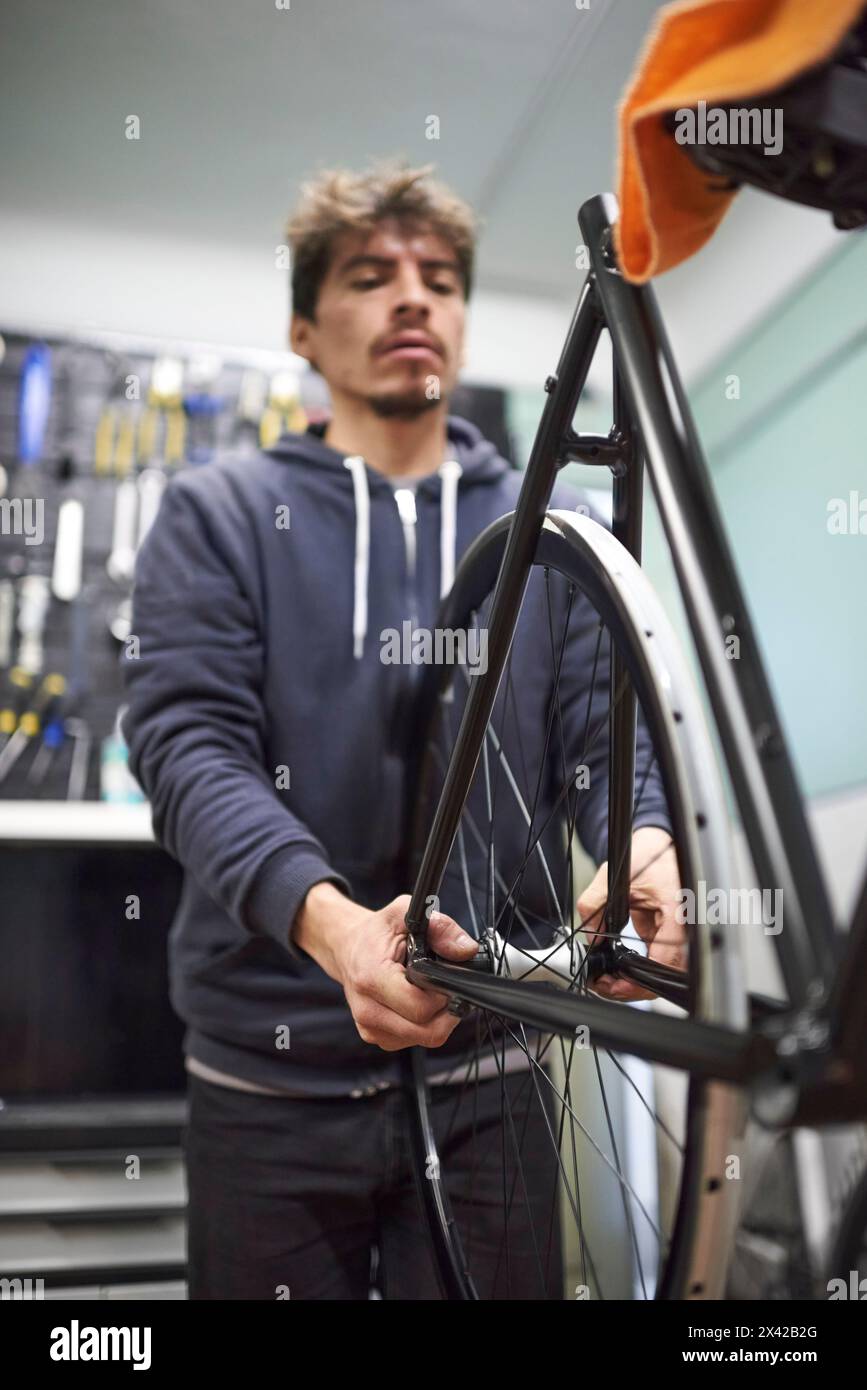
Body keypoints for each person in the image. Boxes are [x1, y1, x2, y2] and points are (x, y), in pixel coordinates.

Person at [122, 159, 683, 1300]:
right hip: (270, 1083)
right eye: (372, 276)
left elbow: (600, 738)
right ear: (303, 328)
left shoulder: (550, 529)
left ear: (465, 321)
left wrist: (649, 844)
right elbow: (187, 747)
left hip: (500, 1068)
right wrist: (335, 933)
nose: (413, 298)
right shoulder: (218, 516)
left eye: (439, 278)